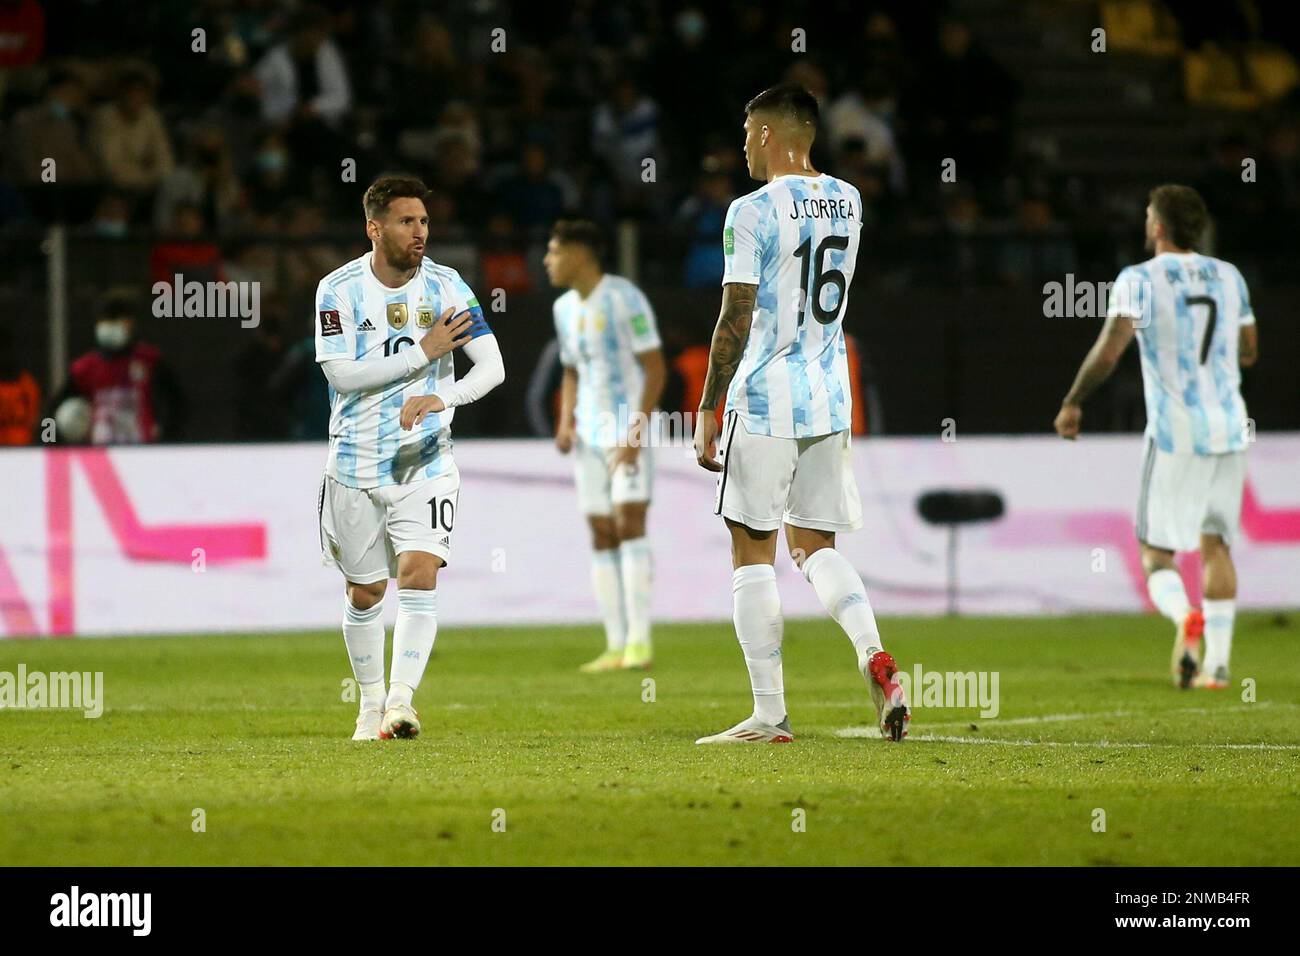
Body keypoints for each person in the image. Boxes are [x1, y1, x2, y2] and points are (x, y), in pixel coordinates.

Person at [691, 84, 910, 744]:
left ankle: (768, 714)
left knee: (752, 550)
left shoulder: (750, 211)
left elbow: (735, 316)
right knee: (815, 546)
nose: (741, 148)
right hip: (828, 393)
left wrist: (708, 403)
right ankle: (874, 655)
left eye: (745, 135)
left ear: (765, 136)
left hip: (765, 394)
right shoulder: (851, 199)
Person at [315, 175, 504, 741]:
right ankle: (370, 706)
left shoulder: (448, 287)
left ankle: (401, 703)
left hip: (425, 461)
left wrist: (441, 396)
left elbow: (492, 368)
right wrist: (421, 354)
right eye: (405, 221)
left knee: (419, 575)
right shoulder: (338, 290)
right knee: (365, 592)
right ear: (374, 228)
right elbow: (340, 374)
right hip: (353, 463)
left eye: (423, 221)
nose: (419, 231)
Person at [1055, 184, 1257, 690]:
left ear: (1159, 227)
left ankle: (1185, 615)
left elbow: (1108, 352)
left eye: (1149, 215)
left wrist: (1073, 401)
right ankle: (1219, 665)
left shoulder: (1138, 280)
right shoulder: (1230, 278)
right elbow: (1249, 350)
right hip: (1231, 426)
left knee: (1156, 554)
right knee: (1217, 546)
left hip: (1175, 431)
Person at [543, 219, 666, 672]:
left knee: (629, 522)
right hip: (588, 436)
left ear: (581, 253)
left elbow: (654, 368)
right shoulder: (562, 309)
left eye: (554, 252)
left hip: (622, 431)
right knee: (600, 530)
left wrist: (635, 433)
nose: (547, 261)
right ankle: (615, 644)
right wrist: (565, 422)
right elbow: (571, 369)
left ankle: (640, 642)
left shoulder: (623, 297)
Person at [48, 292, 187, 444]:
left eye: (116, 319)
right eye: (106, 320)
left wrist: (167, 435)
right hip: (100, 453)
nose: (110, 325)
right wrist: (50, 443)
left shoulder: (148, 360)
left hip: (141, 451)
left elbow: (177, 401)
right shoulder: (85, 368)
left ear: (130, 324)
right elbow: (52, 411)